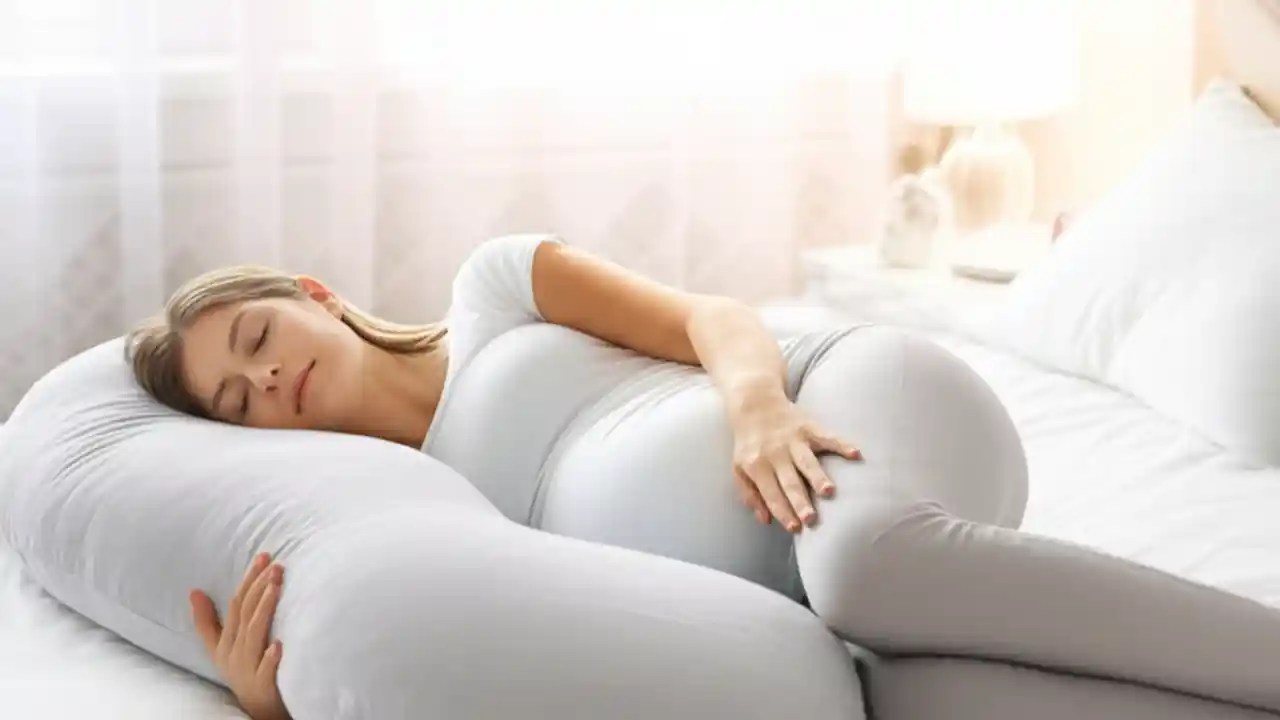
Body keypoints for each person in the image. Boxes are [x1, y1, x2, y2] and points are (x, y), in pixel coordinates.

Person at [127, 234, 1034, 720]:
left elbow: (710, 318)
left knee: (872, 580)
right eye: (240, 404)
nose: (270, 380)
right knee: (907, 694)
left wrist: (758, 408)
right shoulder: (400, 509)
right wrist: (281, 709)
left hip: (843, 434)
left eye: (258, 341)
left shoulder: (491, 290)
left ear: (312, 296)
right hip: (809, 610)